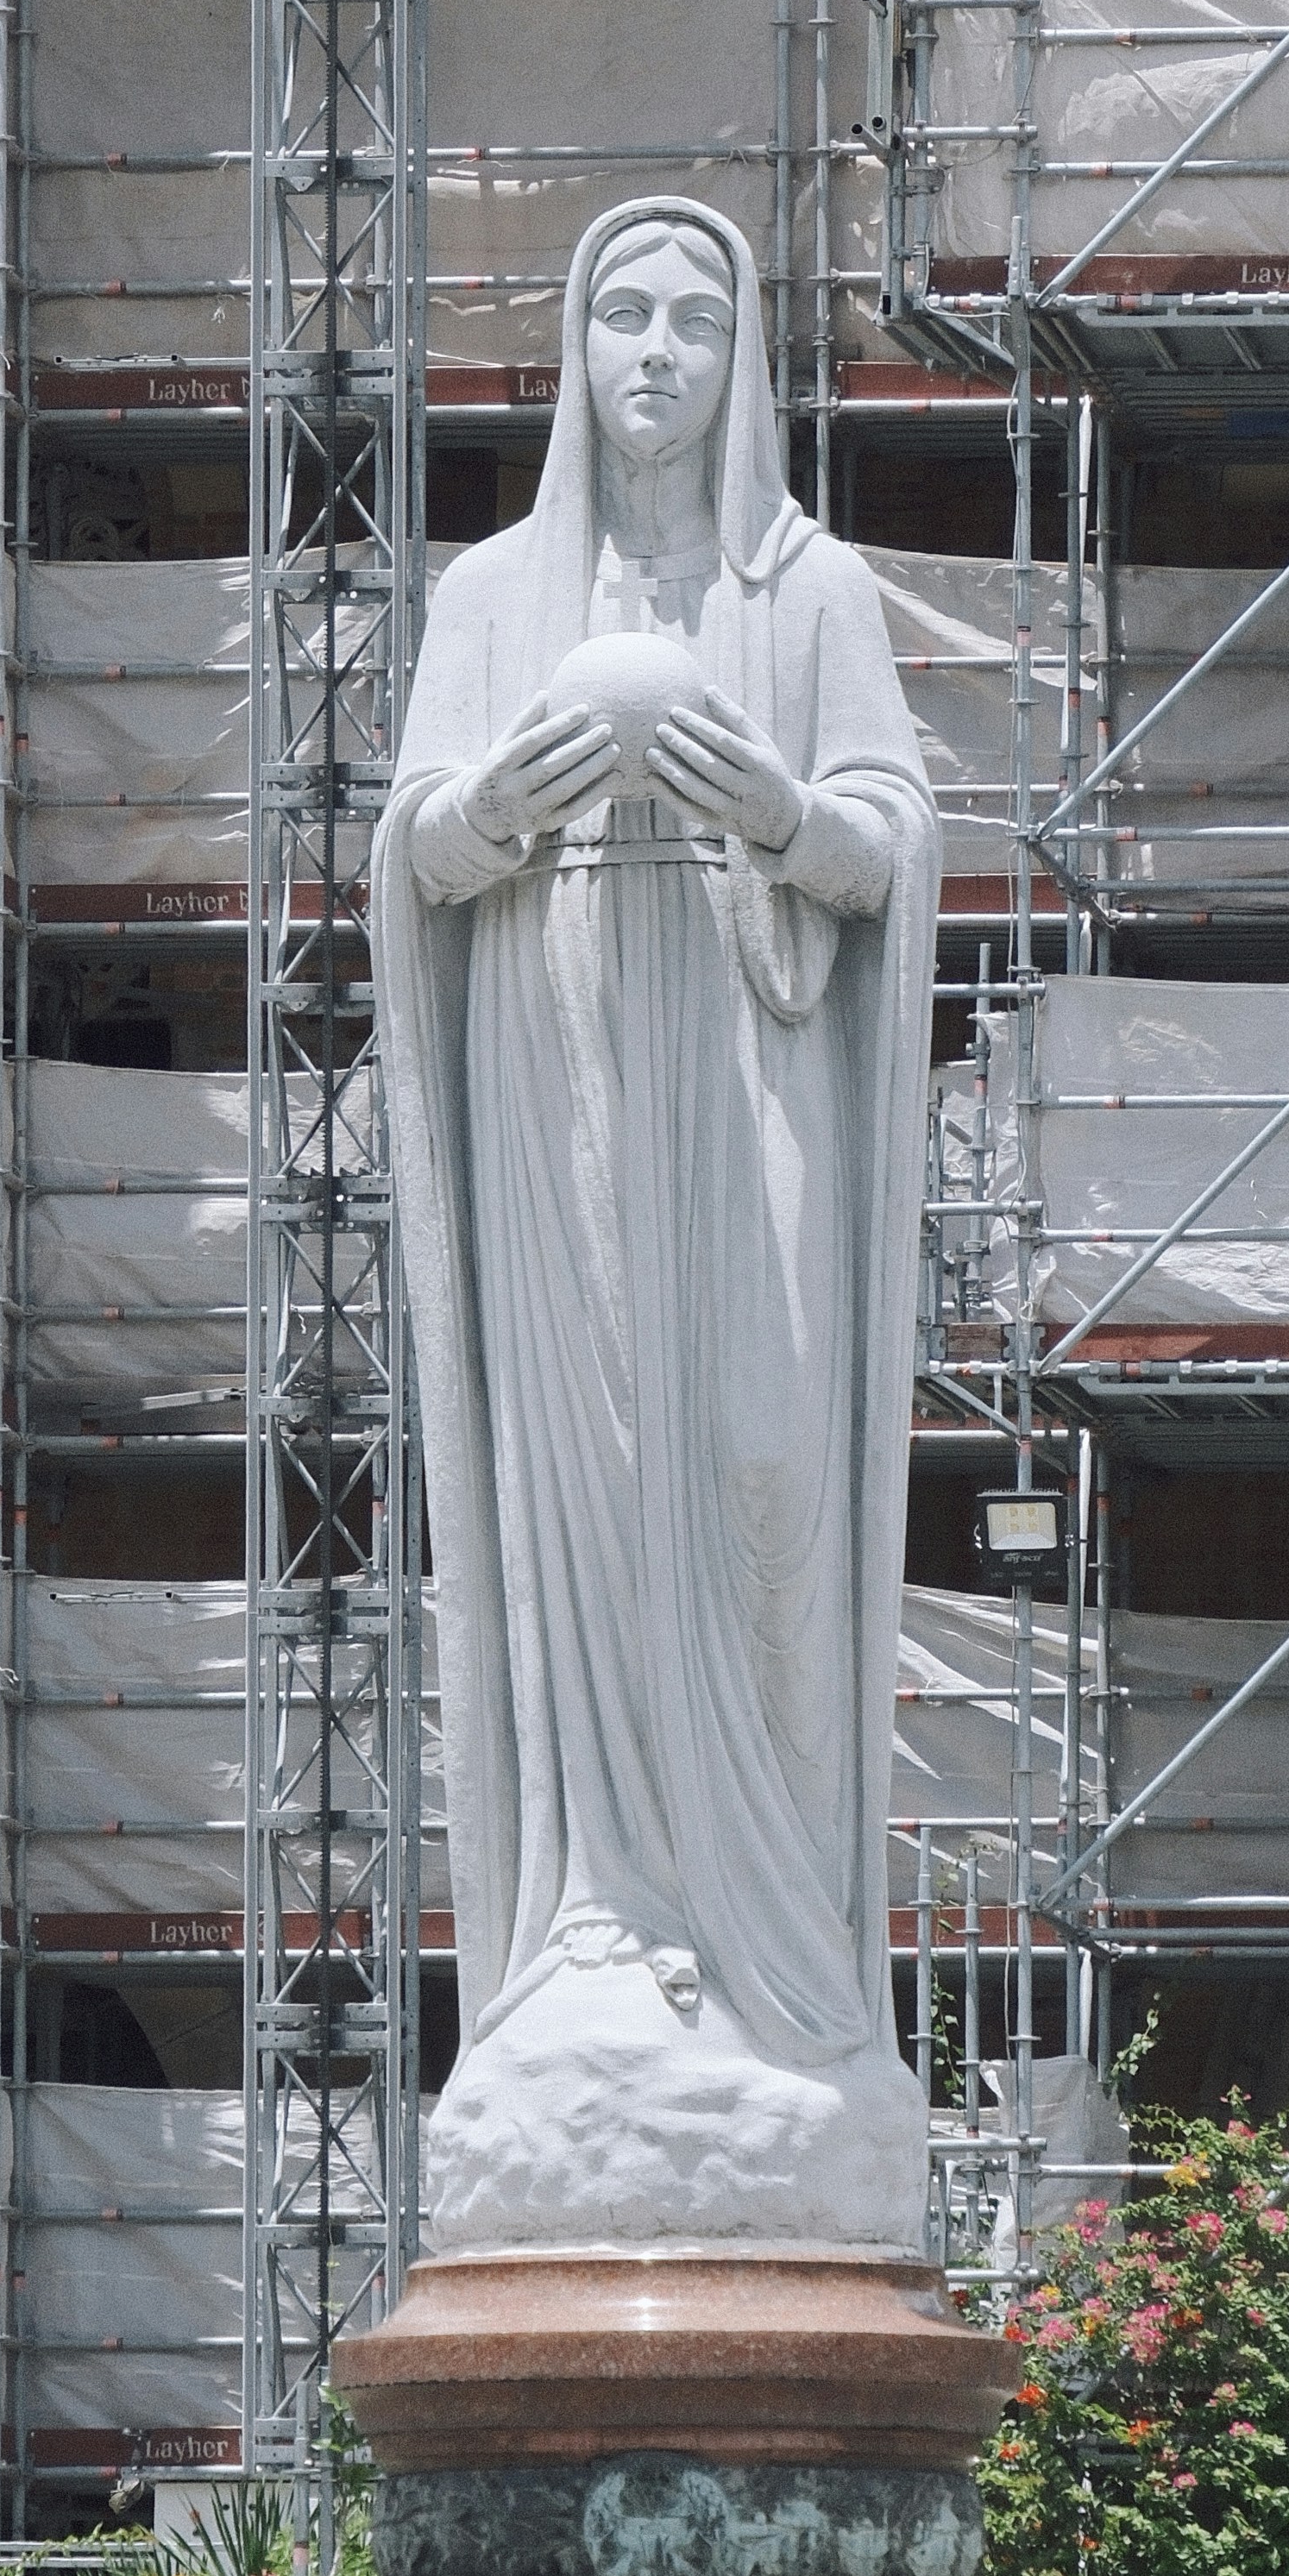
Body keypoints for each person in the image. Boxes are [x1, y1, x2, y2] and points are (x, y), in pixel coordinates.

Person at [374, 192, 940, 2262]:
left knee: (765, 1476)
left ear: (743, 363)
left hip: (752, 1073)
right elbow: (411, 847)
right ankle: (602, 1916)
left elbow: (889, 842)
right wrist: (497, 805)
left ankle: (774, 1946)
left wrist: (774, 812)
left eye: (695, 318)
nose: (653, 350)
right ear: (571, 351)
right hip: (565, 1093)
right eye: (619, 312)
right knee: (590, 1498)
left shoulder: (815, 597)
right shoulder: (488, 598)